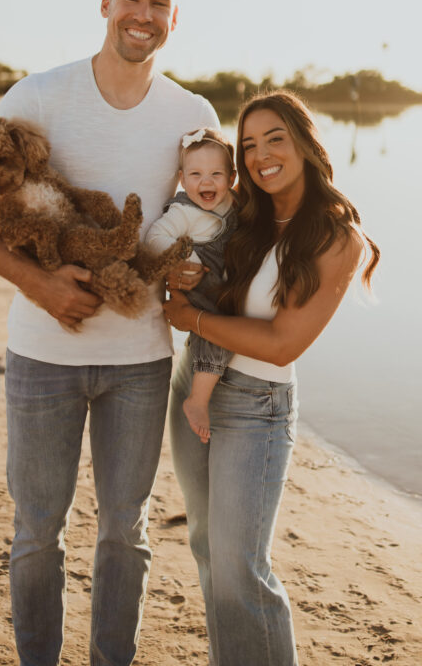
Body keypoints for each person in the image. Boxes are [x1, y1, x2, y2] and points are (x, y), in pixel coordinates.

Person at [0, 0, 218, 666]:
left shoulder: (192, 115)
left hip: (139, 363)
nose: (143, 14)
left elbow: (206, 224)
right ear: (104, 5)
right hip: (42, 355)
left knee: (124, 530)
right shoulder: (37, 97)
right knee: (38, 529)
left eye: (158, 4)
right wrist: (35, 283)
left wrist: (194, 281)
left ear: (174, 19)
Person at [163, 90, 379, 666]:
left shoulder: (337, 237)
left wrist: (193, 318)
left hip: (256, 407)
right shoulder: (243, 215)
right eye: (250, 144)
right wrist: (181, 275)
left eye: (274, 139)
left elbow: (286, 342)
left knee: (242, 569)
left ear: (306, 144)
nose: (260, 156)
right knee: (208, 549)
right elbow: (192, 259)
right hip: (194, 385)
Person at [145, 127, 237, 443]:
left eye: (216, 174)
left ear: (232, 178)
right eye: (196, 174)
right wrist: (189, 260)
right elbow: (154, 237)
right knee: (216, 334)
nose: (206, 182)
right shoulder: (184, 210)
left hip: (224, 282)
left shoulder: (234, 205)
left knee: (229, 325)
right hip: (200, 289)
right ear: (183, 179)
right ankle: (197, 400)